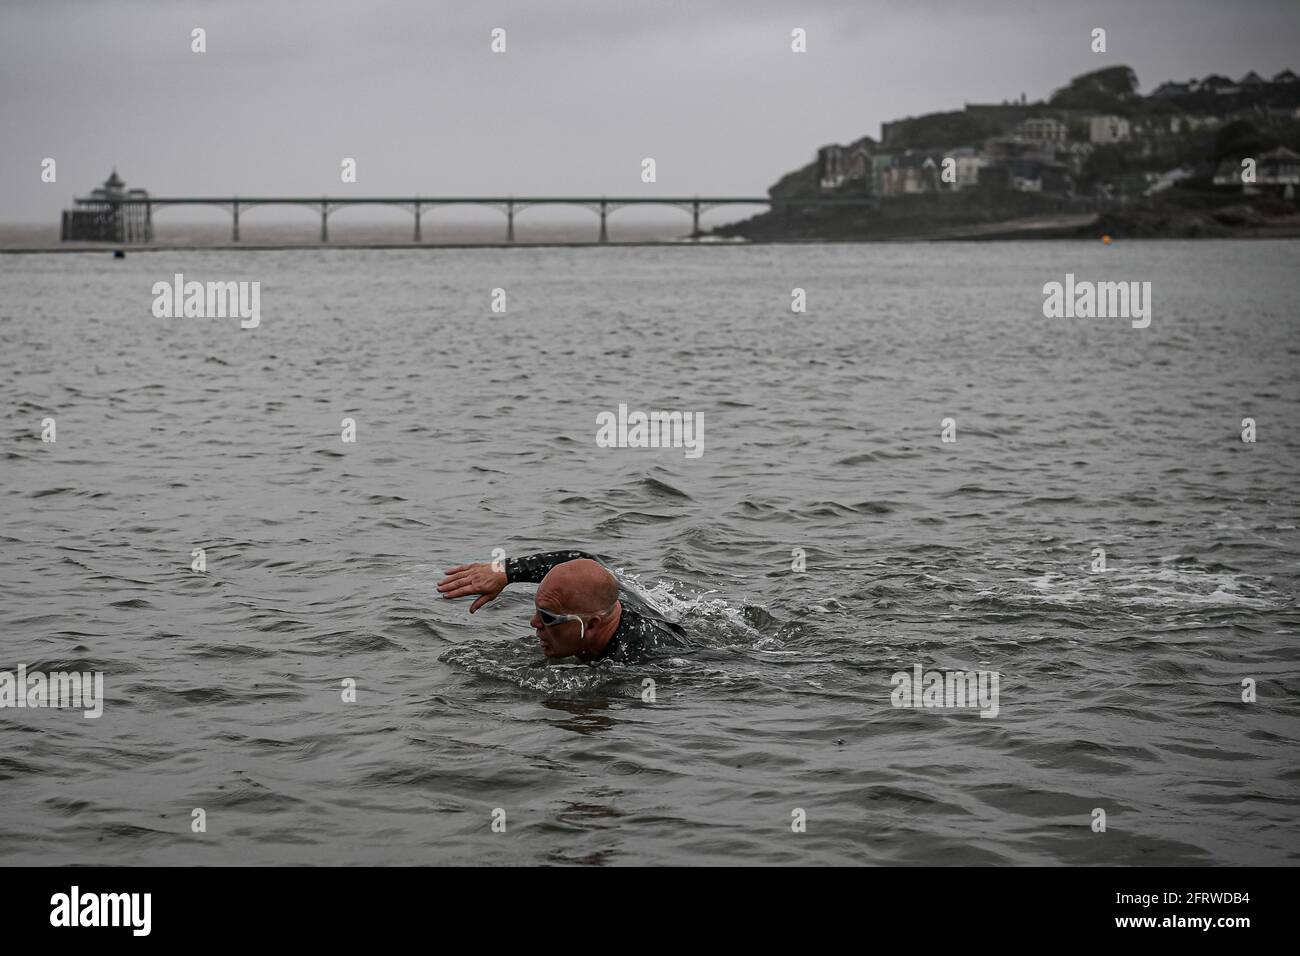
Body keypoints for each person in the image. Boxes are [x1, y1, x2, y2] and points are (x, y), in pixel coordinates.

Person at [437, 551, 684, 663]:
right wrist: (506, 572)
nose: (533, 623)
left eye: (546, 616)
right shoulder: (603, 593)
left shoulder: (638, 661)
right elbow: (583, 561)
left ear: (593, 624)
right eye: (536, 611)